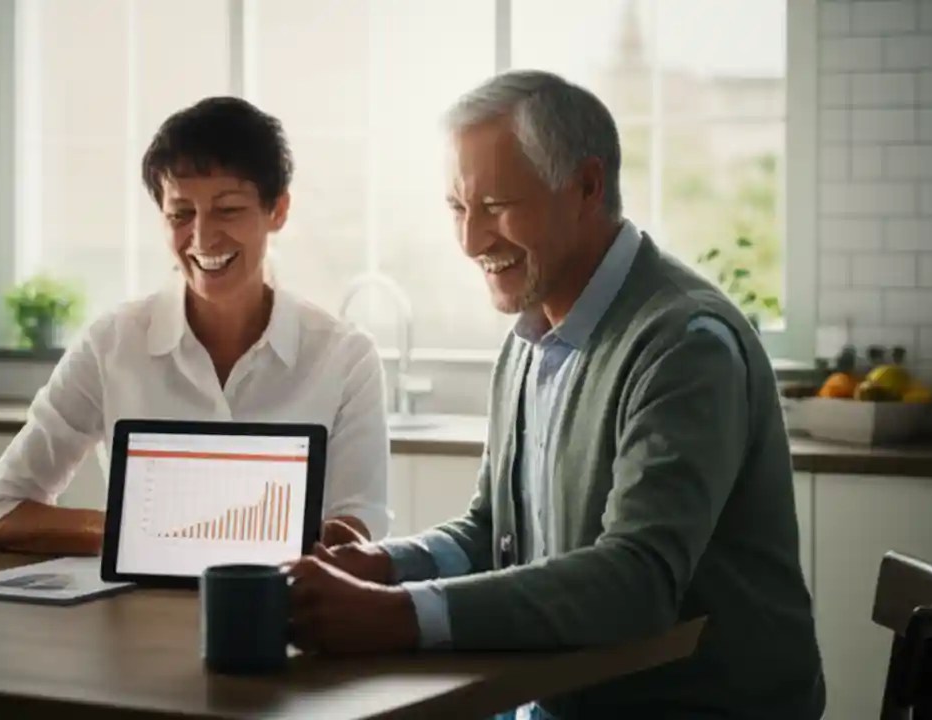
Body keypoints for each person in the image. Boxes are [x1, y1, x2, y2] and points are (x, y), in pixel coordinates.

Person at [286, 71, 825, 719]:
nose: (470, 241)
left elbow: (637, 580)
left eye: (496, 206)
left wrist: (398, 615)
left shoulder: (684, 345)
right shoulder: (531, 337)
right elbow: (492, 532)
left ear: (586, 188)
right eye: (458, 208)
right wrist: (382, 565)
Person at [0, 97, 389, 555]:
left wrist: (237, 542)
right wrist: (138, 530)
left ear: (278, 210)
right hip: (135, 618)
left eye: (227, 210)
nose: (204, 236)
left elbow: (360, 524)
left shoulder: (346, 357)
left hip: (284, 614)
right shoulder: (111, 345)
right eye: (181, 214)